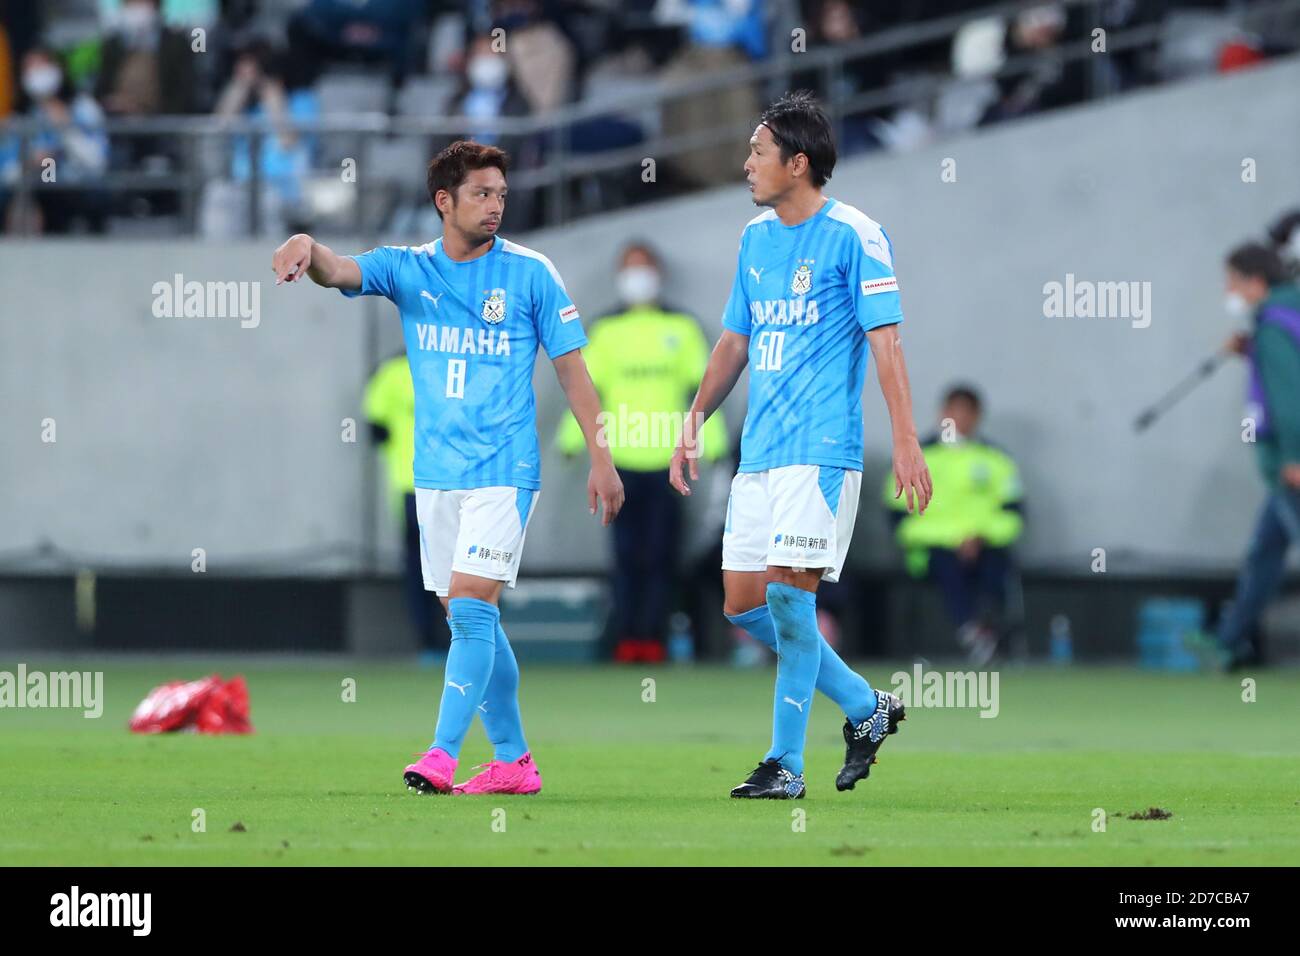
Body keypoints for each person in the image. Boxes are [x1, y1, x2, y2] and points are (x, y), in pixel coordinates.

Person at [270, 140, 624, 796]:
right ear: (444, 202)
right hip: (435, 476)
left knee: (468, 610)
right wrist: (306, 245)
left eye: (500, 194)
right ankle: (515, 762)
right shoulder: (408, 269)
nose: (495, 206)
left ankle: (442, 753)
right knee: (474, 617)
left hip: (504, 470)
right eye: (481, 194)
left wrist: (601, 457)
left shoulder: (531, 273)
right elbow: (341, 270)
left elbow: (573, 369)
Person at [669, 91, 932, 799]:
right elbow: (734, 340)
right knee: (741, 606)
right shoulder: (754, 240)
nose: (746, 164)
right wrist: (695, 416)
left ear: (798, 162)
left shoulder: (857, 235)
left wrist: (906, 439)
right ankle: (863, 707)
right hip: (759, 454)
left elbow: (886, 342)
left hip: (821, 452)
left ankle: (785, 764)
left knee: (789, 600)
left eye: (758, 152)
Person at [555, 241, 728, 663]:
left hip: (669, 464)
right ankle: (629, 637)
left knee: (662, 556)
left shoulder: (682, 328)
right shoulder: (606, 331)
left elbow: (703, 390)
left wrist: (715, 443)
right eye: (630, 268)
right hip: (619, 464)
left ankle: (654, 639)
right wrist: (571, 439)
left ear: (659, 274)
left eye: (644, 268)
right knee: (626, 555)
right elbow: (586, 390)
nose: (638, 277)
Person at [884, 385, 1023, 665]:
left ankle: (990, 630)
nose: (959, 418)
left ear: (977, 416)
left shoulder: (997, 460)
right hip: (931, 549)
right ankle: (974, 632)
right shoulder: (915, 457)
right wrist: (952, 538)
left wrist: (980, 536)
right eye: (954, 411)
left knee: (995, 565)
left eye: (966, 412)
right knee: (946, 563)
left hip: (984, 545)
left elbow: (1014, 515)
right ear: (943, 413)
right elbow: (899, 519)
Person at [1217, 242, 1300, 670]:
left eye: (1232, 282)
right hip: (1283, 468)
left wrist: (1293, 456)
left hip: (1290, 464)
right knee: (1265, 552)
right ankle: (1227, 642)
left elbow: (1289, 398)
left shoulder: (1272, 328)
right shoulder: (1286, 318)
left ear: (1256, 282)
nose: (1229, 292)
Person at [363, 351, 451, 665]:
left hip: (410, 485)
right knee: (457, 563)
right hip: (452, 484)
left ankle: (427, 640)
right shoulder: (451, 368)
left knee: (418, 566)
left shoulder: (390, 375)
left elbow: (376, 430)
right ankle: (459, 639)